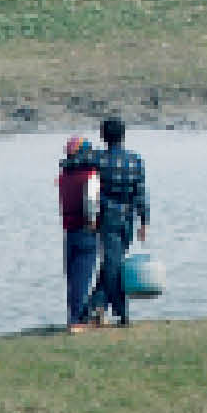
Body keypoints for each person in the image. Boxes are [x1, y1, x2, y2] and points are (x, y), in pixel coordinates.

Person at [87, 114, 151, 327]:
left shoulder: (98, 159)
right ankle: (101, 309)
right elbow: (140, 193)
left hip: (106, 216)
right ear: (123, 136)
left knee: (112, 265)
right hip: (128, 216)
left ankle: (109, 310)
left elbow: (82, 172)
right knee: (113, 263)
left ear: (103, 136)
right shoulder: (136, 160)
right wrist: (144, 222)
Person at [57, 134, 103, 330]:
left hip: (69, 232)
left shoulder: (63, 177)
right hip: (86, 230)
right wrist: (93, 221)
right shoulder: (90, 175)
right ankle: (77, 320)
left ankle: (75, 316)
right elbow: (91, 201)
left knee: (72, 276)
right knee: (82, 277)